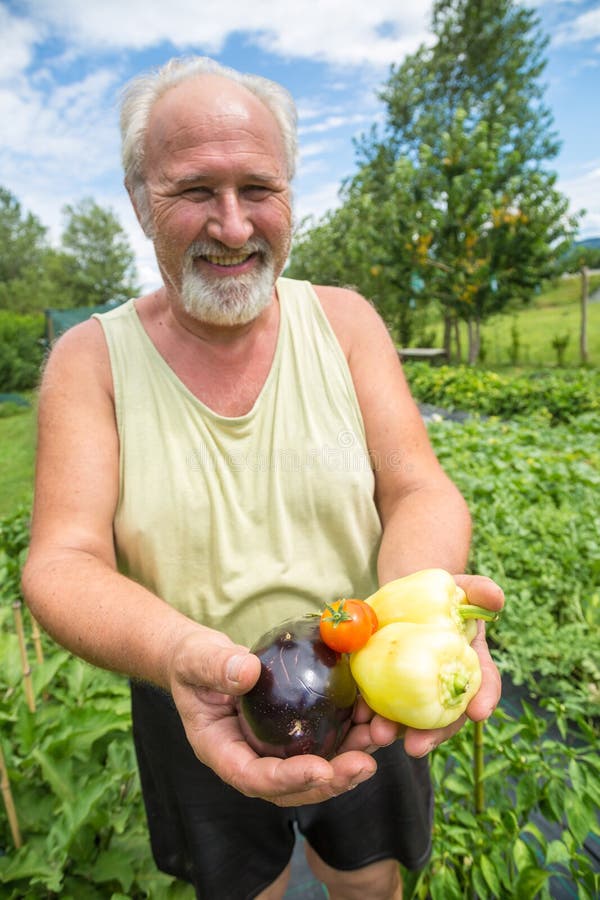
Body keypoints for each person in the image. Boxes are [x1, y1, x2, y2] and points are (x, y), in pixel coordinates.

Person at [22, 56, 504, 900]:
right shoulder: (90, 362)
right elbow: (61, 561)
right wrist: (182, 655)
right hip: (193, 701)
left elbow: (417, 488)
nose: (236, 225)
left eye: (260, 188)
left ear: (290, 195)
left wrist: (416, 620)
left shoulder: (344, 323)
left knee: (368, 881)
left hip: (365, 683)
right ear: (141, 202)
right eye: (195, 190)